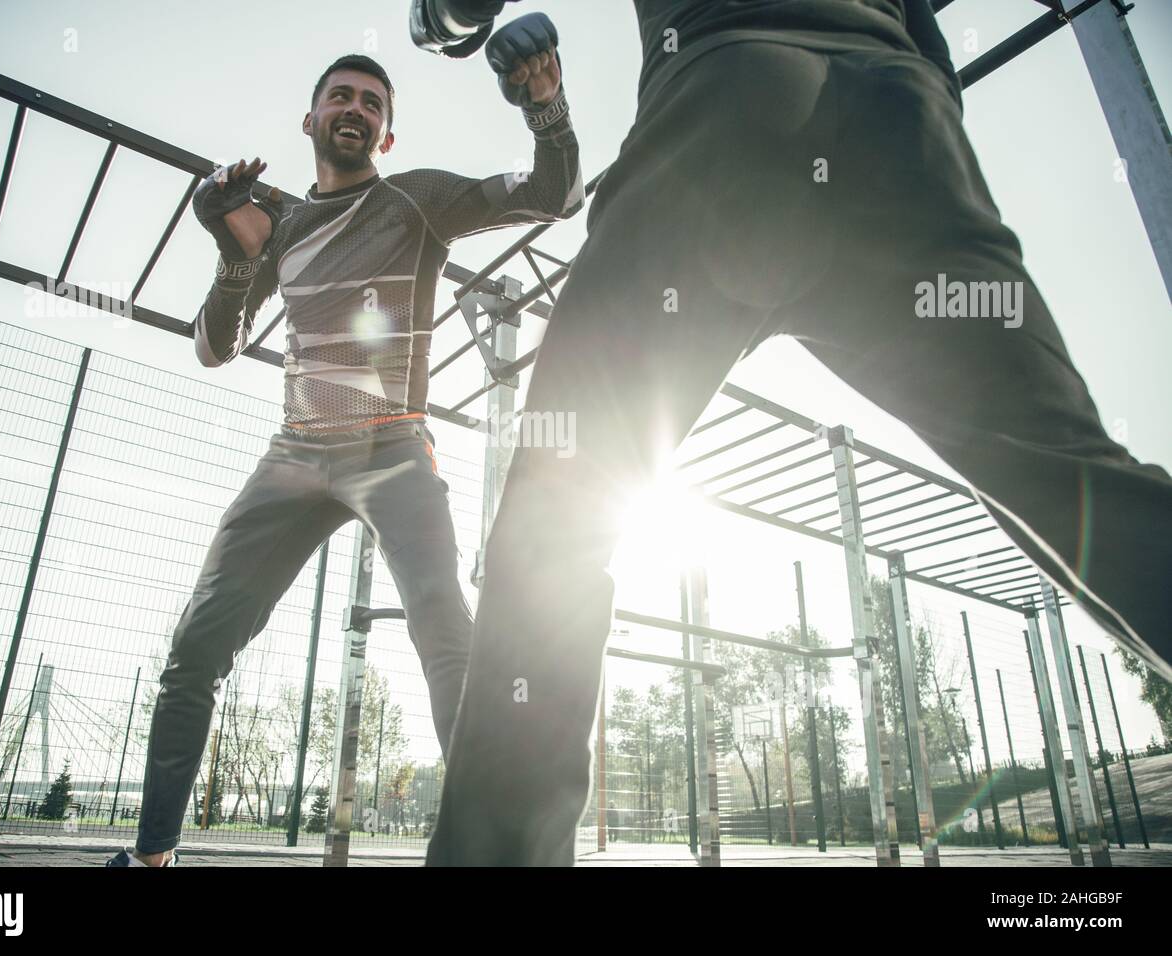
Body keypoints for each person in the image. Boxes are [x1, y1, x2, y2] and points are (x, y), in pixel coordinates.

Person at [413, 0, 1172, 865]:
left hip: (729, 101)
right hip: (907, 121)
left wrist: (443, 20)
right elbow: (927, 38)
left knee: (555, 526)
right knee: (1074, 472)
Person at [107, 33, 583, 867]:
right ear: (311, 118)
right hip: (292, 455)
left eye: (372, 104)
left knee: (446, 632)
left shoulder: (415, 200)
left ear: (387, 136)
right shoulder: (282, 225)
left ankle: (496, 855)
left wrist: (546, 104)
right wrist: (231, 251)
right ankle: (150, 858)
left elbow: (557, 193)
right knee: (194, 654)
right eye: (343, 97)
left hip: (393, 446)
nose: (356, 109)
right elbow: (214, 348)